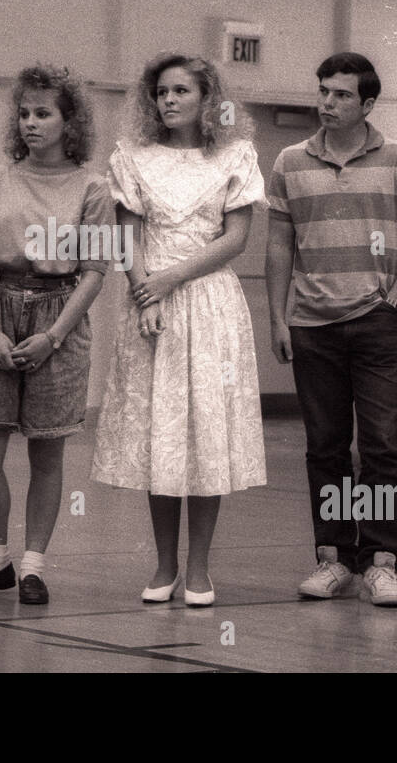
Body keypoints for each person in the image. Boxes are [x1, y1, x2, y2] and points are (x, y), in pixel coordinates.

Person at [92, 53, 267, 608]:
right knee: (159, 433)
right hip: (151, 305)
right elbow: (129, 240)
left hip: (209, 301)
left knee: (205, 435)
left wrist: (170, 279)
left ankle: (199, 567)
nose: (167, 101)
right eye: (161, 92)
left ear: (207, 99)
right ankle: (164, 564)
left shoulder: (236, 156)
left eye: (180, 92)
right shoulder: (132, 158)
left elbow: (234, 240)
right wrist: (146, 291)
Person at [266, 52, 397, 608]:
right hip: (312, 326)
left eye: (340, 95)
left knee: (384, 447)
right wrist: (277, 316)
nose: (327, 103)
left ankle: (381, 562)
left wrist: (395, 300)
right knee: (326, 449)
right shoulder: (290, 161)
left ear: (367, 103)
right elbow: (277, 245)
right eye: (323, 92)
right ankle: (333, 559)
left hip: (379, 324)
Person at [0, 65, 113, 606]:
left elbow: (96, 270)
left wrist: (53, 336)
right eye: (23, 113)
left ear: (70, 122)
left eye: (43, 113)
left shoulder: (94, 188)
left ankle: (33, 566)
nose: (30, 123)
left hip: (59, 313)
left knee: (47, 453)